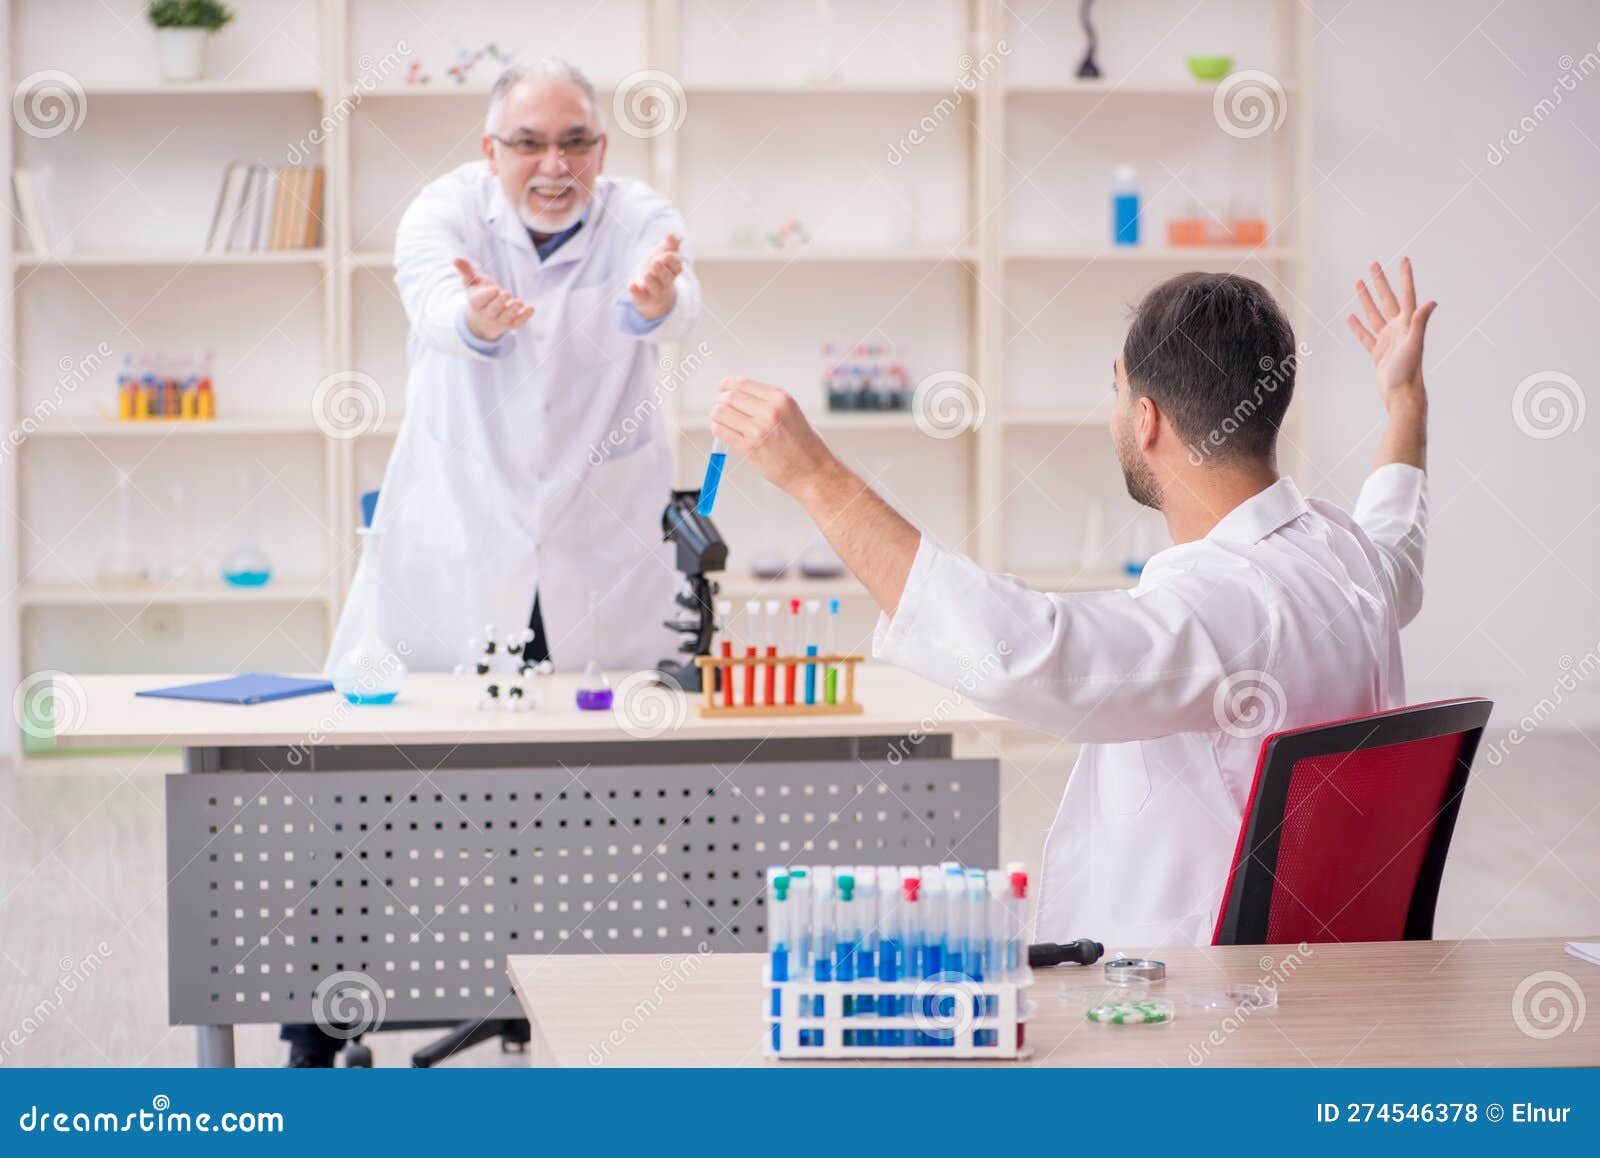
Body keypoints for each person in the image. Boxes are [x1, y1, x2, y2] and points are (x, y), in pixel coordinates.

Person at [709, 259, 1436, 949]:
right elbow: (1396, 534)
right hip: (1326, 970)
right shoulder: (1344, 554)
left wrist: (813, 477)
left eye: (1115, 389)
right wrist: (1404, 401)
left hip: (1191, 1010)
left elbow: (1026, 653)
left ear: (1146, 419)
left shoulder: (1227, 605)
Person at [302, 58, 699, 1068]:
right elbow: (431, 300)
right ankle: (318, 1026)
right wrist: (473, 322)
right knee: (370, 789)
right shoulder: (445, 212)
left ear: (600, 150)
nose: (553, 163)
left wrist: (653, 303)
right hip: (456, 546)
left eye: (574, 141)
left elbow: (670, 297)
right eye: (529, 143)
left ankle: (607, 1015)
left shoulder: (637, 212)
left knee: (604, 793)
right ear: (492, 152)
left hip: (595, 561)